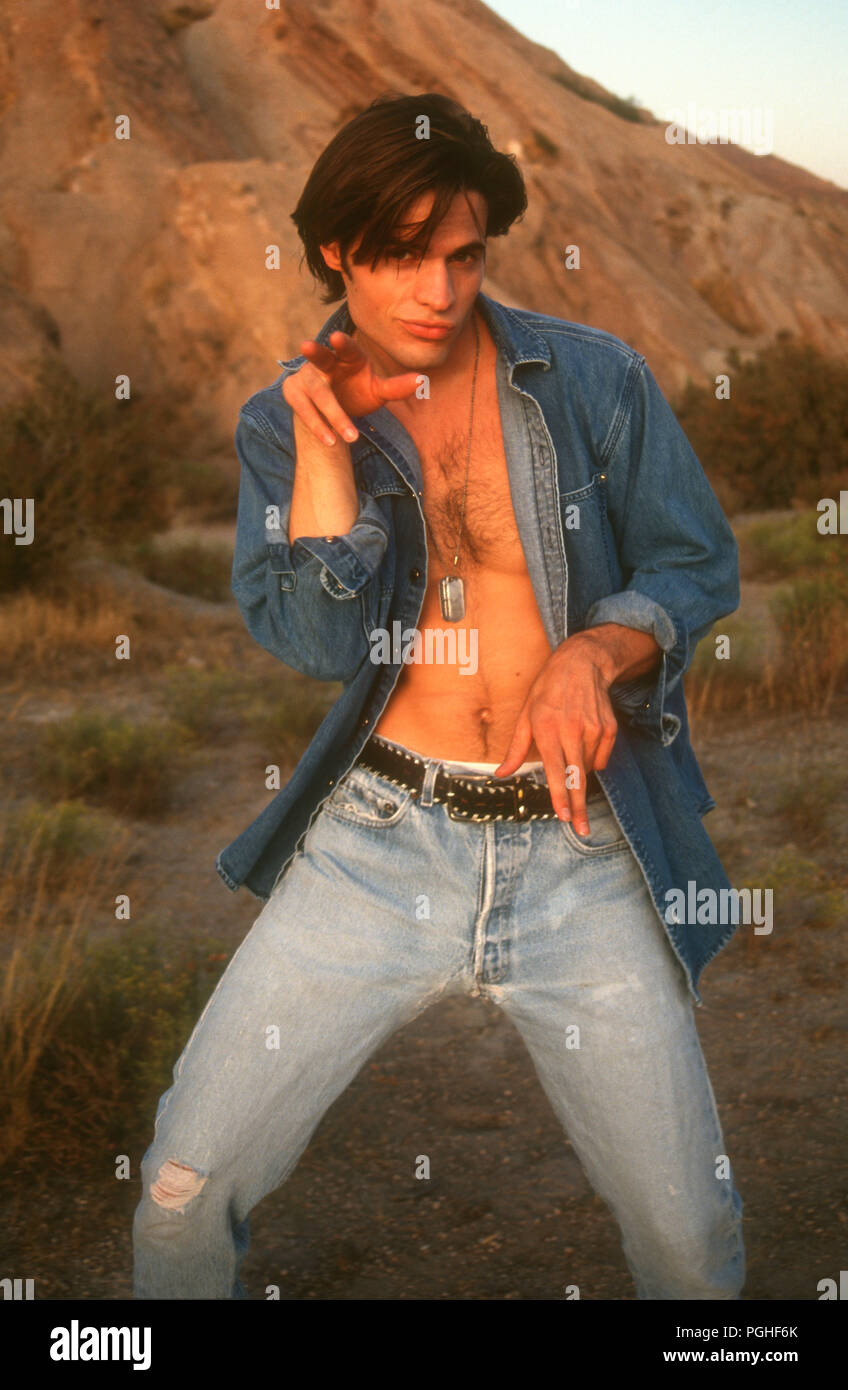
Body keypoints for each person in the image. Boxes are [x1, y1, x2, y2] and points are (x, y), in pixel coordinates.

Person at [133, 93, 745, 1300]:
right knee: (179, 1198)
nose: (437, 290)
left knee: (686, 1238)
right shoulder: (277, 424)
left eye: (461, 255)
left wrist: (594, 651)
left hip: (579, 843)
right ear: (334, 253)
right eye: (400, 256)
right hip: (375, 845)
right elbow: (314, 643)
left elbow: (694, 563)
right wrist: (324, 454)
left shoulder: (592, 379)